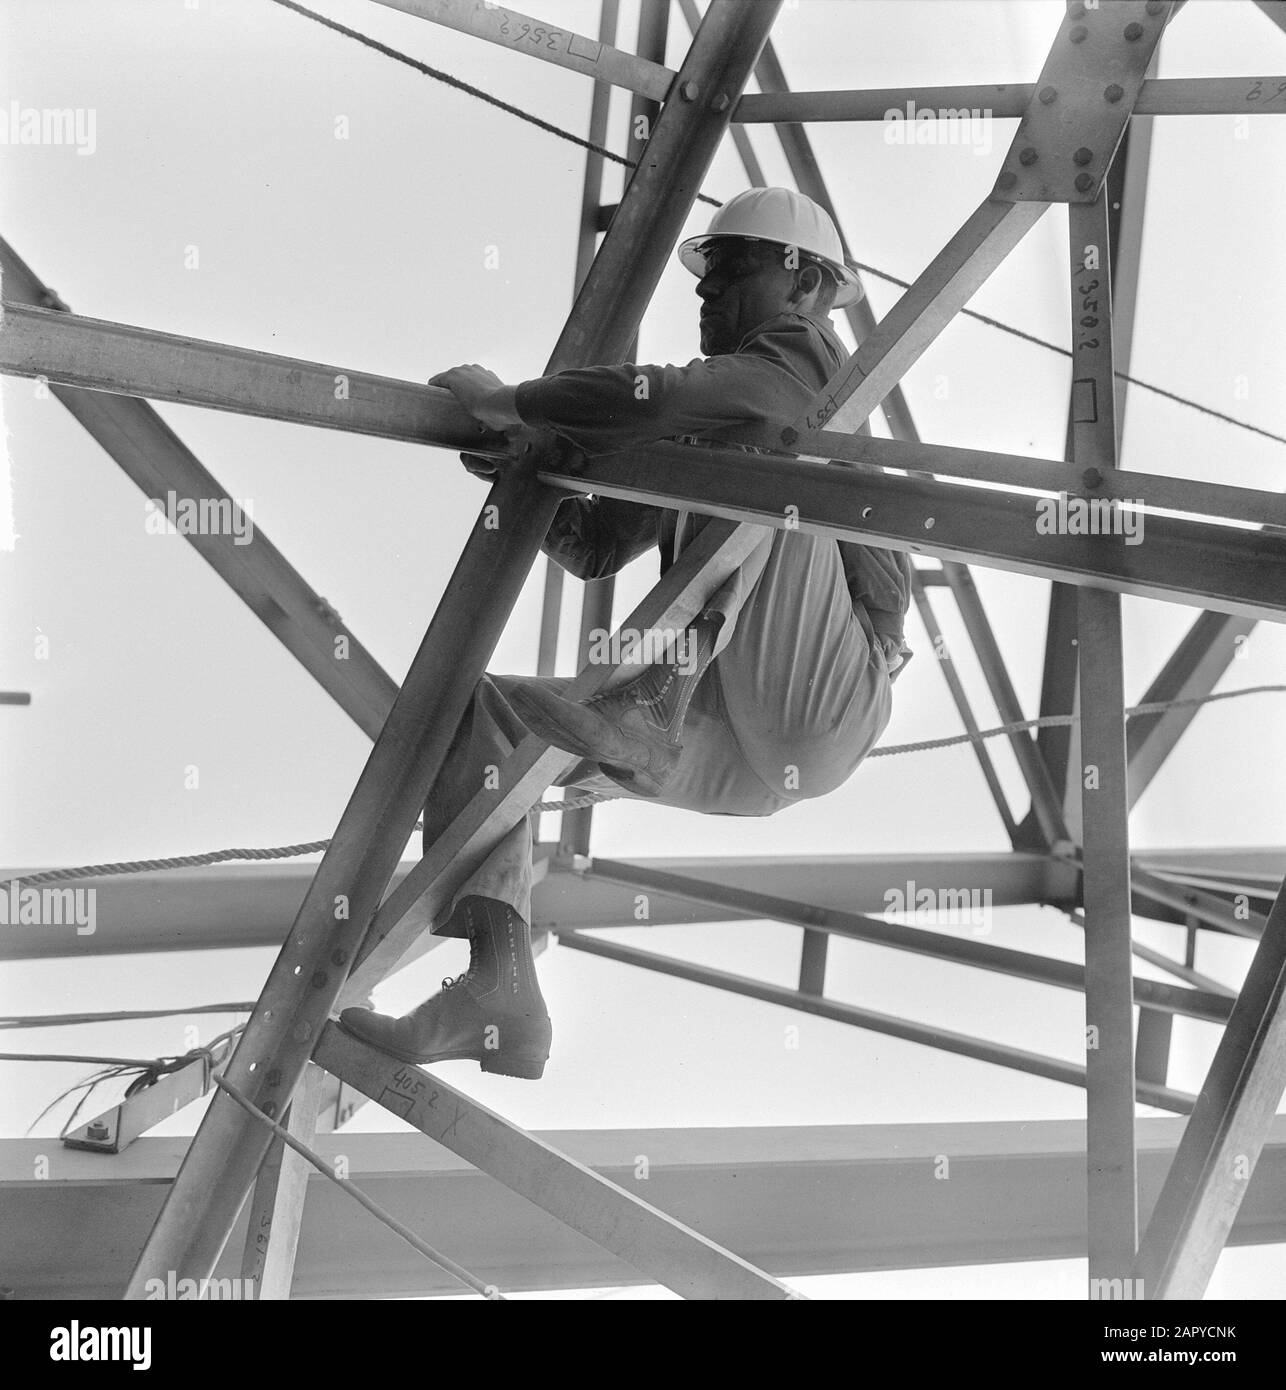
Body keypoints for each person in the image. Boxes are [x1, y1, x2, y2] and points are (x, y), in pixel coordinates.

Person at [339, 188, 913, 1080]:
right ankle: (501, 989)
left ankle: (648, 701)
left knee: (761, 462)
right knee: (483, 718)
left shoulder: (808, 365)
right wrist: (535, 468)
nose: (705, 290)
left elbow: (683, 401)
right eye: (704, 273)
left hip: (826, 697)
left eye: (732, 267)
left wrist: (516, 407)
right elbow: (605, 541)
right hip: (742, 737)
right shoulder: (721, 411)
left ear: (802, 280)